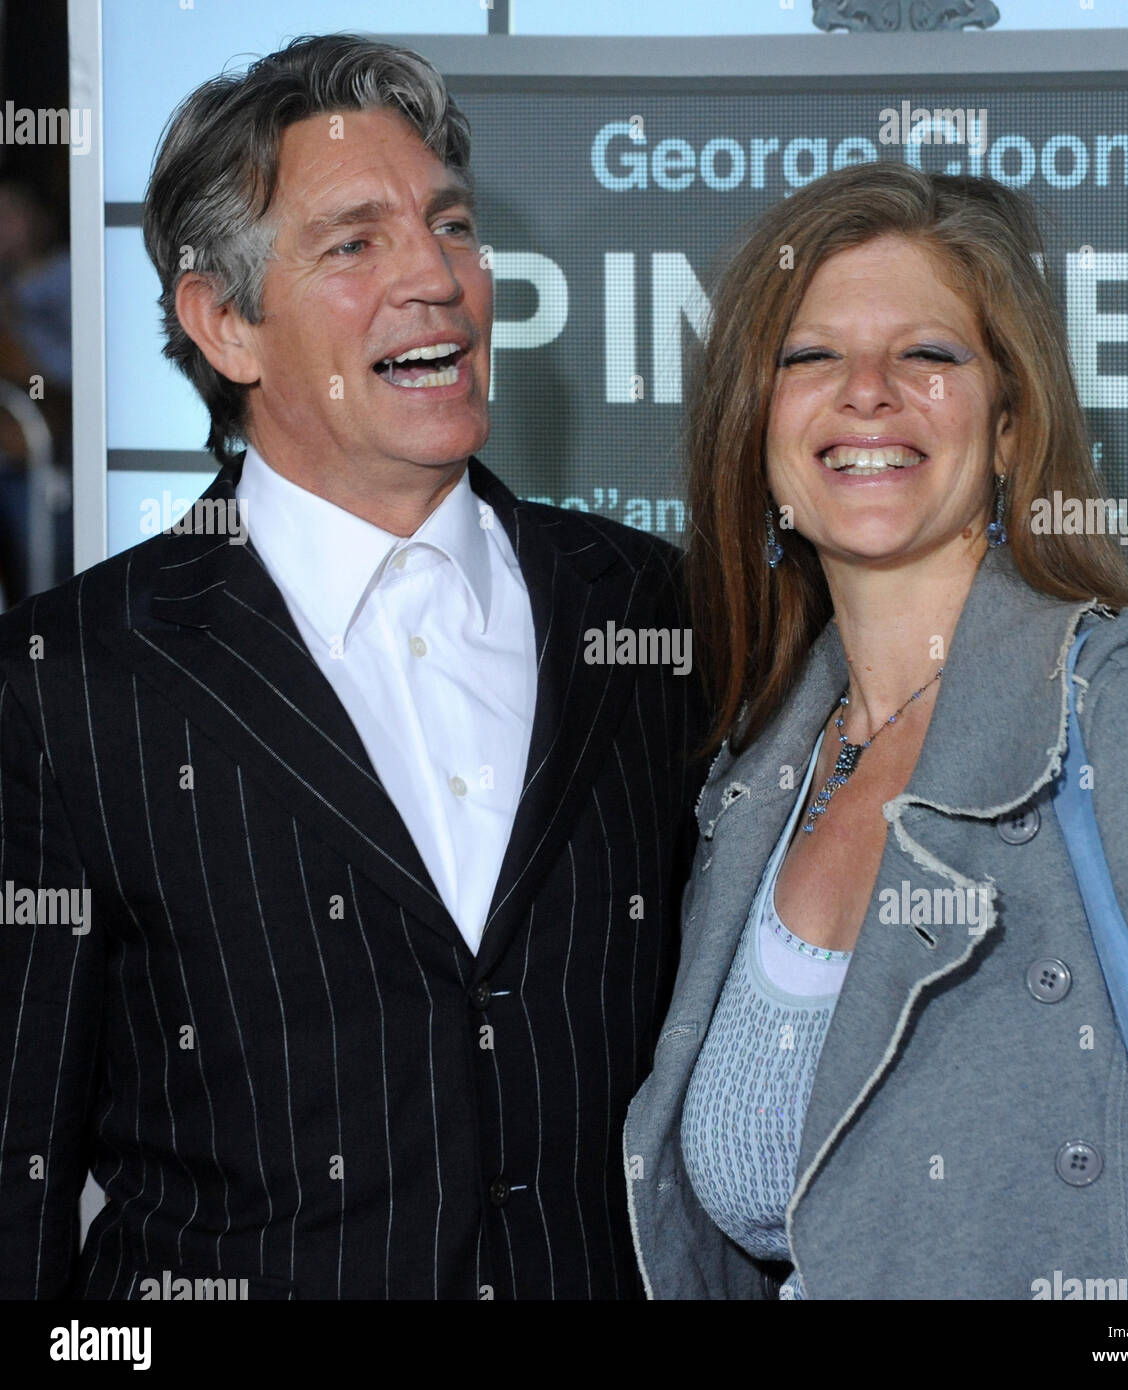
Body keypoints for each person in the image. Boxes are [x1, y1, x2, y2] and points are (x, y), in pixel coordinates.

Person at [0, 34, 704, 1300]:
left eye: (450, 226)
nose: (435, 277)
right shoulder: (68, 680)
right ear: (225, 324)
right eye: (354, 242)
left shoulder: (649, 612)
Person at [624, 161, 1128, 1299]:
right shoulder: (751, 775)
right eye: (809, 355)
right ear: (756, 426)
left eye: (927, 355)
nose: (865, 390)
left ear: (1012, 423)